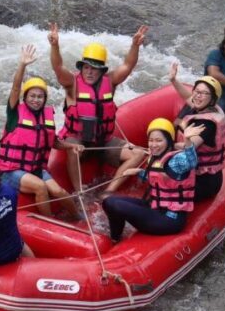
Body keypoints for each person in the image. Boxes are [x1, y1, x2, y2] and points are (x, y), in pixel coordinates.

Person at [48, 22, 149, 196]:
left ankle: (109, 191)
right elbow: (57, 68)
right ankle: (79, 191)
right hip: (77, 141)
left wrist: (135, 46)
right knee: (72, 148)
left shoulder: (110, 82)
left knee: (139, 154)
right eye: (86, 67)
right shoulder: (72, 83)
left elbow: (127, 65)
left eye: (94, 69)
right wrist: (55, 46)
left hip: (103, 142)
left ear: (101, 71)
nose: (89, 72)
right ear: (82, 68)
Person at [0, 44, 82, 219]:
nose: (36, 100)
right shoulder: (14, 113)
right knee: (40, 187)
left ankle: (79, 220)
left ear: (45, 99)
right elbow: (15, 89)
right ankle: (50, 224)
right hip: (10, 170)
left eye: (40, 97)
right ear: (25, 98)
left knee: (60, 191)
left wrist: (71, 147)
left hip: (35, 168)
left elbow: (53, 142)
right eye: (32, 96)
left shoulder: (46, 117)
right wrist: (23, 65)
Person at [102, 118, 204, 242]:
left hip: (170, 219)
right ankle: (116, 238)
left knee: (113, 204)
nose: (153, 144)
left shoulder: (177, 160)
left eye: (159, 140)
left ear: (169, 141)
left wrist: (187, 141)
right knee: (109, 201)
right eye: (151, 140)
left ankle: (114, 239)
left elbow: (191, 162)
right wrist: (139, 172)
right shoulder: (156, 157)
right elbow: (160, 179)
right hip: (155, 207)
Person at [169, 63, 225, 200]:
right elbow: (188, 97)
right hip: (201, 174)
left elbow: (188, 147)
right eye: (196, 91)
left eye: (204, 93)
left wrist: (166, 146)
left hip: (204, 182)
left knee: (162, 189)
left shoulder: (207, 124)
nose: (197, 96)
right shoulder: (212, 109)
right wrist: (173, 80)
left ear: (212, 99)